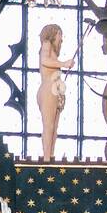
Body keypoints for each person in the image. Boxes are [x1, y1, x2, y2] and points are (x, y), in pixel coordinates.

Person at [37, 24, 75, 160]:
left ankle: (50, 156)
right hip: (48, 89)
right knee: (49, 126)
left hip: (55, 90)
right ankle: (46, 159)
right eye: (60, 34)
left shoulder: (53, 52)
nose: (61, 39)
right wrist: (63, 64)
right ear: (52, 34)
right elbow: (44, 61)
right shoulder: (46, 44)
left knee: (54, 128)